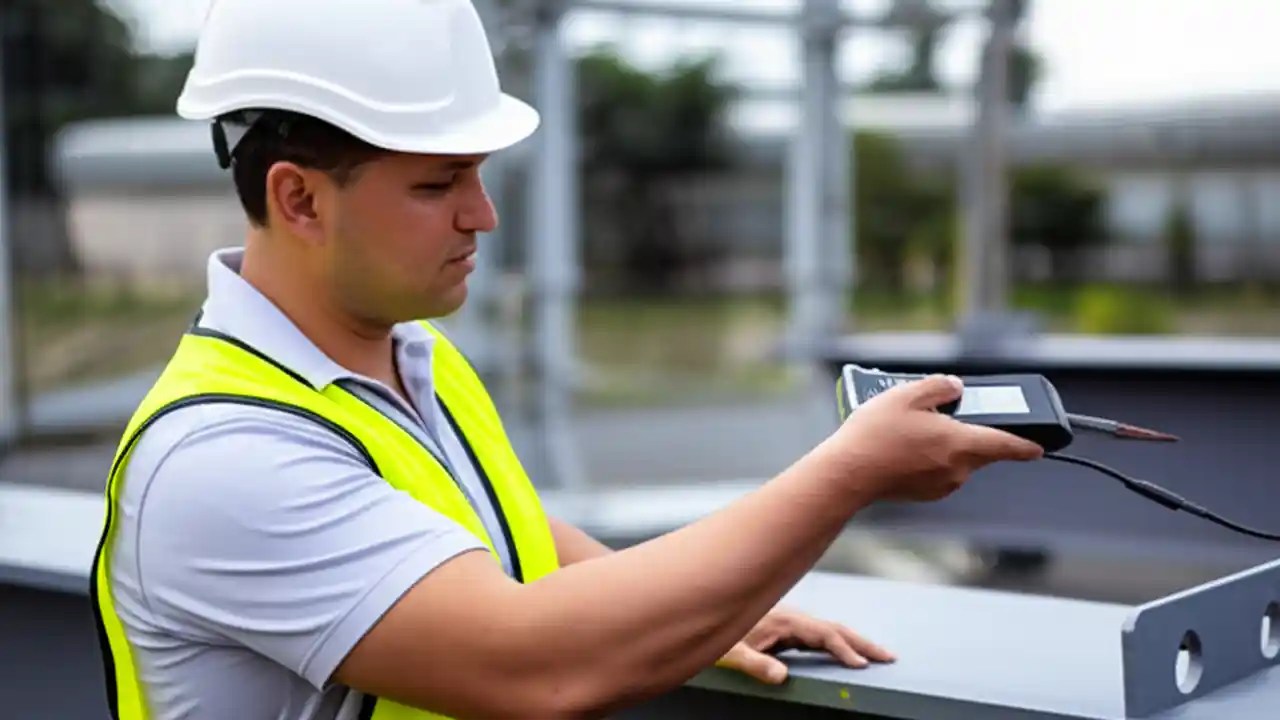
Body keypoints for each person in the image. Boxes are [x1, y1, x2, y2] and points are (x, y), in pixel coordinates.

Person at [89, 1, 1043, 718]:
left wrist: (708, 600)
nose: (482, 217)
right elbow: (533, 665)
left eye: (480, 177)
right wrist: (850, 473)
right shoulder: (223, 461)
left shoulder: (408, 355)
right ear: (298, 201)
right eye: (438, 184)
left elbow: (486, 526)